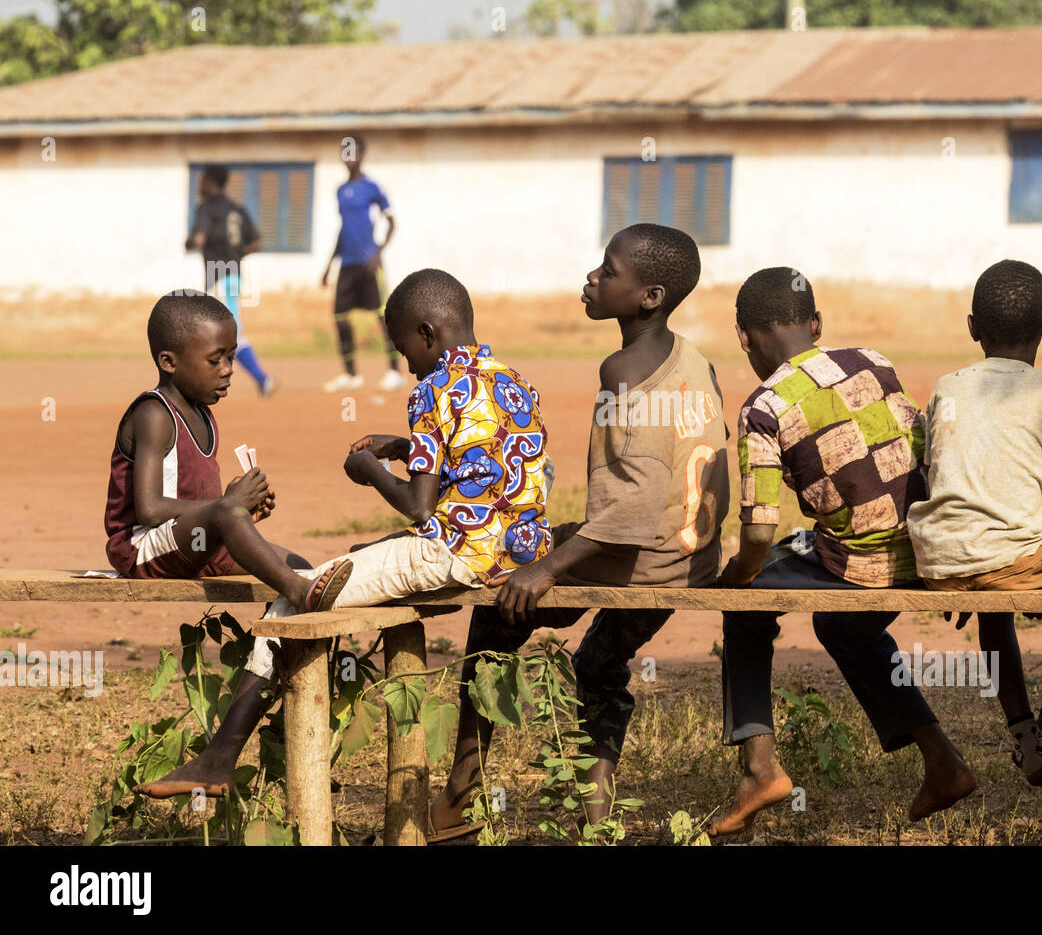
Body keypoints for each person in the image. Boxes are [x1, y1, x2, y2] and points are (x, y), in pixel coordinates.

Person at [135, 270, 552, 799]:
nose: (406, 364)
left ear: (426, 334)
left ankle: (220, 758)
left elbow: (420, 508)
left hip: (456, 551)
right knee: (360, 556)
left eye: (403, 351)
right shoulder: (513, 380)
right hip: (518, 553)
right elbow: (479, 461)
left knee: (299, 595)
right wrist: (404, 447)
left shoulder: (434, 388)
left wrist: (369, 470)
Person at [427, 223, 730, 842]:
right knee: (598, 658)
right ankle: (597, 816)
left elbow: (630, 510)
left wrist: (546, 568)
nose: (592, 277)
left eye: (608, 270)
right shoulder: (693, 359)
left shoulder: (623, 371)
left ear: (649, 296)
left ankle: (460, 794)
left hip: (640, 556)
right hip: (690, 557)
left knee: (498, 612)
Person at [708, 267, 974, 838]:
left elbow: (757, 533)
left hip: (860, 565)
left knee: (744, 604)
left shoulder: (764, 406)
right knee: (842, 626)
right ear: (816, 324)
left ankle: (759, 769)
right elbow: (921, 449)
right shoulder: (873, 361)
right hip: (925, 550)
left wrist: (737, 576)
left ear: (744, 338)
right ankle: (943, 762)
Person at [907, 259, 1042, 794]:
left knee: (995, 603)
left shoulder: (945, 387)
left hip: (941, 559)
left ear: (972, 328)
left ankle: (1023, 732)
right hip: (1016, 556)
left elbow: (930, 475)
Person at [104, 289, 349, 600]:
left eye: (231, 357)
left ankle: (278, 641)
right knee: (236, 521)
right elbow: (151, 510)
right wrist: (228, 506)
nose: (228, 369)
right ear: (169, 362)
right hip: (143, 548)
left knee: (299, 566)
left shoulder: (202, 414)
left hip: (193, 541)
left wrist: (241, 512)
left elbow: (202, 506)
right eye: (215, 360)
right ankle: (300, 593)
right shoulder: (154, 413)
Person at [321, 135, 404, 393]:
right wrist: (328, 266)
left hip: (369, 263)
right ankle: (351, 374)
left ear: (362, 155)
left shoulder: (373, 188)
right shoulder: (340, 191)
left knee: (382, 316)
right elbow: (342, 230)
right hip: (347, 264)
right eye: (344, 152)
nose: (348, 157)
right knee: (340, 317)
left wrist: (378, 252)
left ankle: (394, 372)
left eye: (353, 152)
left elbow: (391, 222)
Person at [185, 165, 276, 397]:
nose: (199, 186)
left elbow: (198, 238)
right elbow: (255, 243)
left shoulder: (205, 209)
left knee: (228, 333)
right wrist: (235, 255)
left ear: (211, 182)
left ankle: (263, 379)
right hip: (232, 275)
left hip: (219, 277)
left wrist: (190, 242)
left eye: (202, 181)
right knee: (215, 331)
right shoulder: (237, 209)